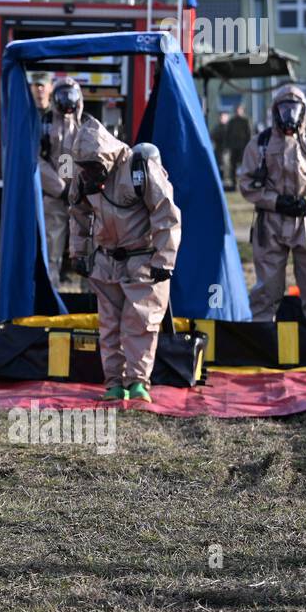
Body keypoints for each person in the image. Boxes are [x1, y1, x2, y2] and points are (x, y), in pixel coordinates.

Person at [68, 119, 181, 403]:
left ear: (104, 157)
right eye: (85, 168)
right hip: (106, 261)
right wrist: (79, 252)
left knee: (140, 324)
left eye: (93, 167)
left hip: (143, 261)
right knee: (110, 326)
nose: (89, 173)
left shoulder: (138, 169)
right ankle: (114, 383)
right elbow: (78, 214)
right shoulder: (85, 175)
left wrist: (164, 259)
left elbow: (166, 213)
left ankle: (138, 383)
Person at [237, 85, 306, 323]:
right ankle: (263, 341)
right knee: (267, 289)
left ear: (303, 112)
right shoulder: (260, 144)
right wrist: (275, 201)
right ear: (275, 111)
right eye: (284, 109)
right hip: (271, 224)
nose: (289, 115)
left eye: (294, 109)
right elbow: (246, 182)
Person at [39, 77, 84, 288]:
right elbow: (36, 161)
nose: (67, 101)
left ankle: (92, 303)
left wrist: (82, 188)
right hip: (54, 200)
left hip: (82, 200)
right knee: (52, 254)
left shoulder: (85, 126)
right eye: (62, 95)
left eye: (71, 95)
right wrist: (61, 188)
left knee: (89, 255)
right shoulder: (44, 125)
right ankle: (52, 301)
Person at [224, 104, 253, 190]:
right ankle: (234, 184)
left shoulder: (245, 121)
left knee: (244, 166)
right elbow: (227, 134)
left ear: (242, 110)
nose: (237, 111)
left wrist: (249, 146)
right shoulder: (232, 121)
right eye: (236, 110)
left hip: (243, 147)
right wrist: (227, 146)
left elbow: (249, 134)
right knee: (233, 166)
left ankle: (245, 183)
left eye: (239, 109)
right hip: (234, 147)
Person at [210, 110, 230, 186]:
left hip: (227, 151)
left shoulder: (230, 128)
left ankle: (227, 181)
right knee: (220, 166)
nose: (222, 118)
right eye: (221, 117)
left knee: (227, 166)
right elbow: (212, 136)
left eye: (224, 117)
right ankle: (220, 181)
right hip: (219, 150)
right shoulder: (217, 128)